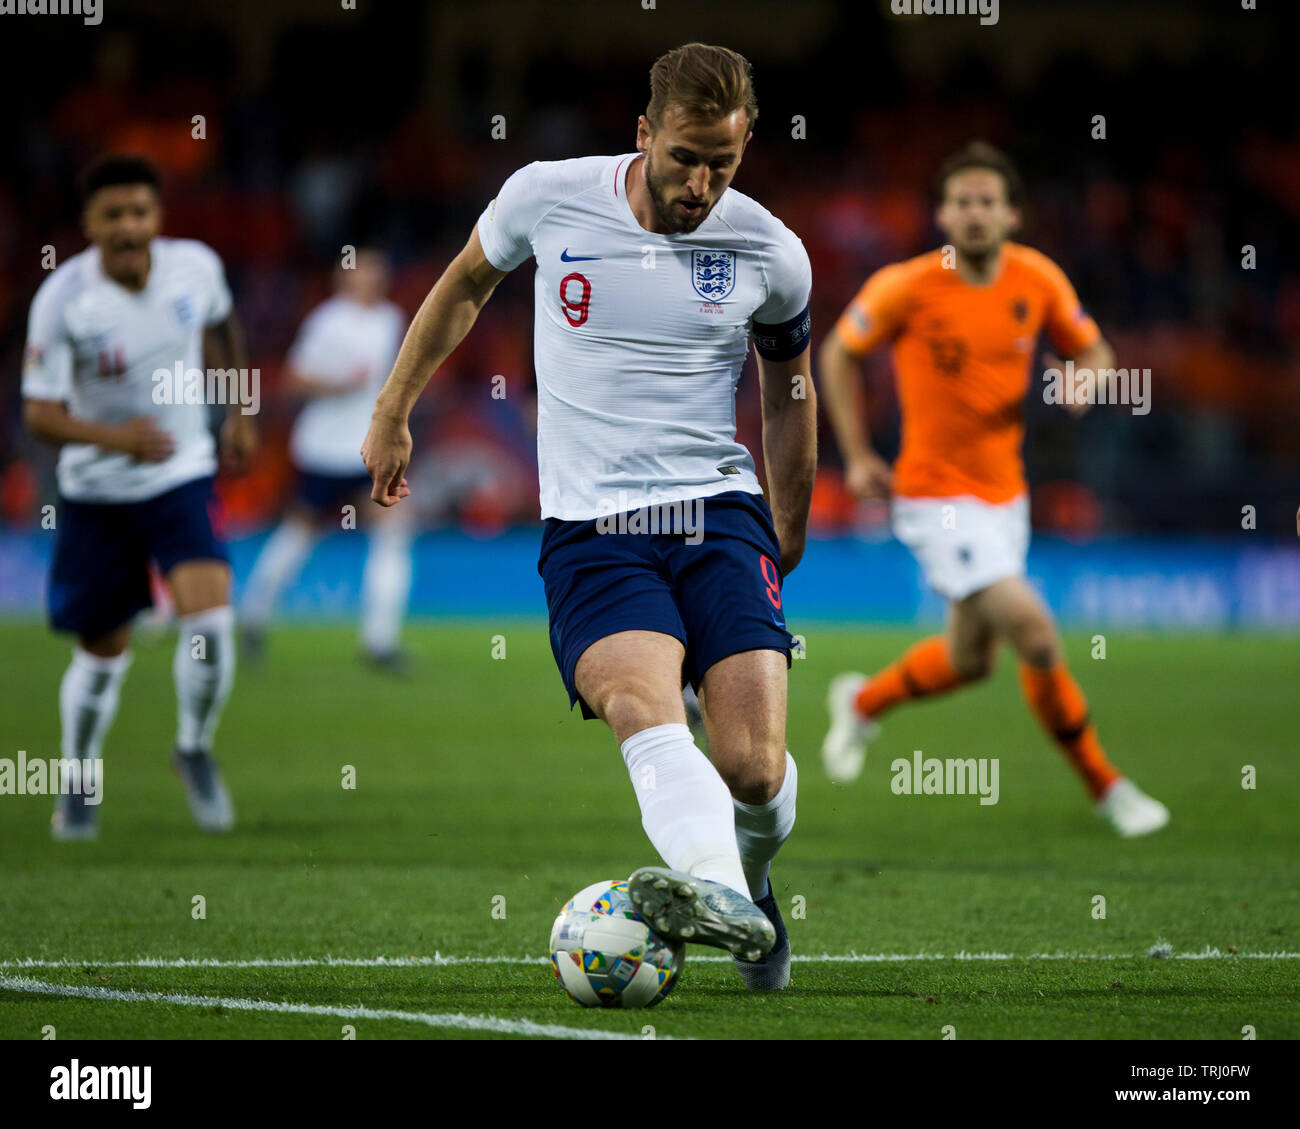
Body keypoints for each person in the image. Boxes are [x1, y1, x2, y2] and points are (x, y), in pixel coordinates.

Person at [361, 43, 817, 988]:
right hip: (593, 527)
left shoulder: (771, 252)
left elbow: (788, 391)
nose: (700, 184)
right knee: (643, 706)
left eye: (722, 164)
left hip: (719, 514)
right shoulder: (546, 196)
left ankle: (750, 884)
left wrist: (792, 516)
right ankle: (716, 886)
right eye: (685, 156)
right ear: (644, 133)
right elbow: (462, 287)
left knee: (756, 770)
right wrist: (391, 410)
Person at [818, 140, 1169, 837]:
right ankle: (1109, 787)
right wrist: (857, 455)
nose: (974, 213)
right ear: (943, 214)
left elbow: (1094, 347)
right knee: (1035, 631)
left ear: (1011, 214)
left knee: (970, 659)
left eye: (988, 201)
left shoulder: (1037, 280)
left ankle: (861, 702)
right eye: (961, 201)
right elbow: (837, 351)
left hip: (1006, 495)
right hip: (932, 498)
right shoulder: (908, 284)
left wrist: (1087, 376)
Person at [22, 153, 255, 839]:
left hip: (180, 474)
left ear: (158, 216)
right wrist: (115, 438)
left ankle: (192, 746)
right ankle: (81, 775)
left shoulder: (196, 268)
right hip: (98, 492)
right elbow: (39, 412)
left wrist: (239, 409)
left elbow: (222, 324)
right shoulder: (63, 300)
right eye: (113, 215)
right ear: (89, 223)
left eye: (140, 212)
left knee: (211, 624)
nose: (129, 226)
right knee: (103, 654)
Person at [240, 249, 413, 671]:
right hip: (325, 448)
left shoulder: (391, 319)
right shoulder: (327, 322)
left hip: (370, 447)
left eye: (376, 273)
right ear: (345, 279)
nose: (371, 280)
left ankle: (380, 641)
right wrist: (338, 385)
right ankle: (253, 616)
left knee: (393, 531)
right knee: (301, 531)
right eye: (363, 273)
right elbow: (293, 381)